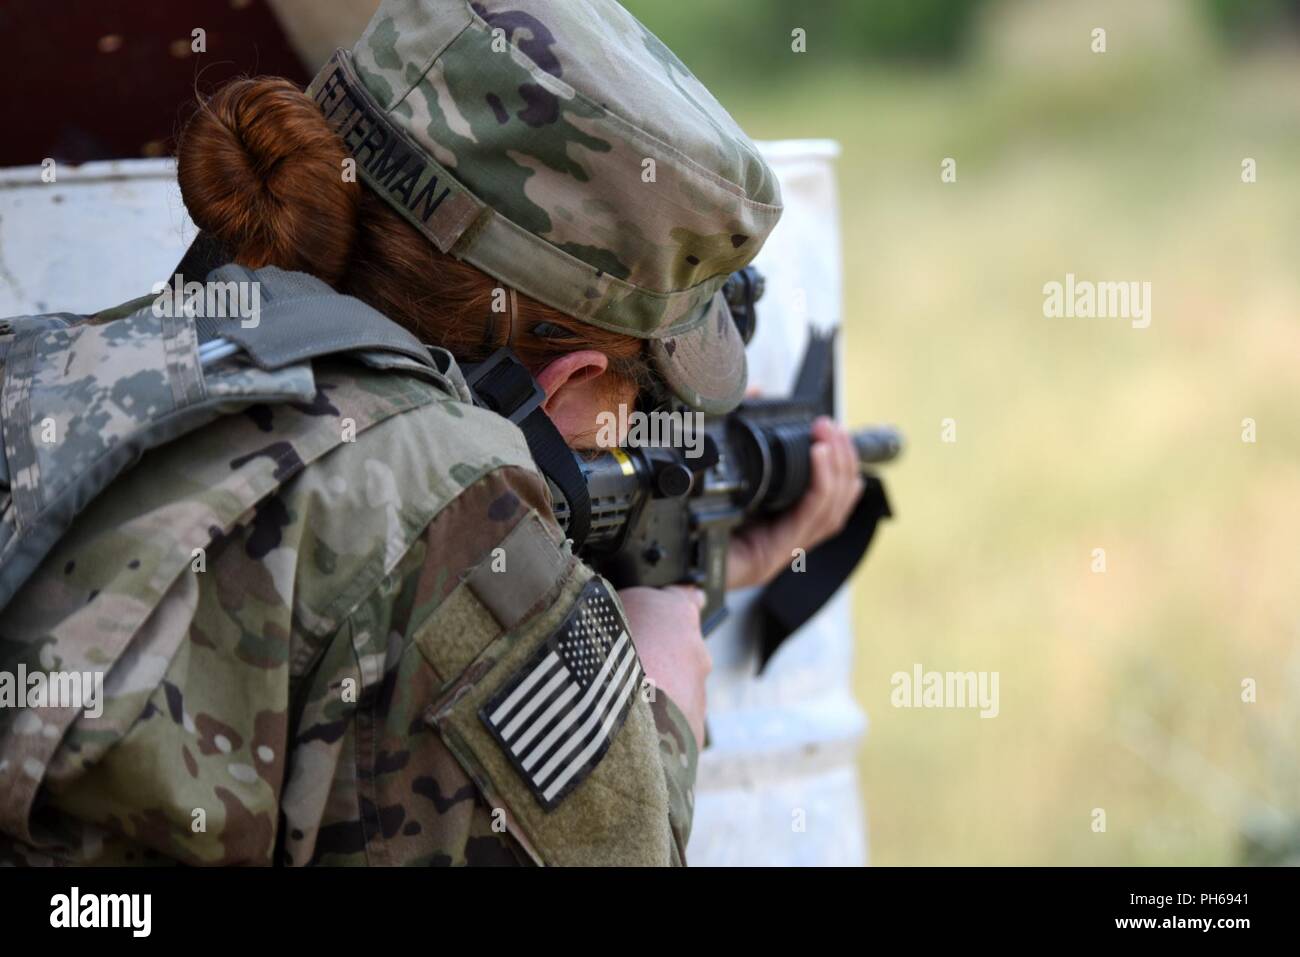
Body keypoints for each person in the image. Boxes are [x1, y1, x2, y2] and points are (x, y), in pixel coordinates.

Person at [0, 0, 863, 866]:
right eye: (632, 416)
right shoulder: (447, 490)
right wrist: (661, 697)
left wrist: (681, 577)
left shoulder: (59, 365)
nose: (627, 446)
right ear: (572, 378)